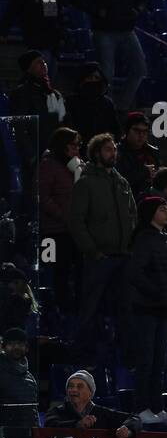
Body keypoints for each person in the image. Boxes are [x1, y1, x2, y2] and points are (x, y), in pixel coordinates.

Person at [67, 134, 136, 360]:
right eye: (108, 150)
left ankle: (125, 359)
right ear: (96, 153)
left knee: (126, 310)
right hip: (99, 258)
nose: (113, 153)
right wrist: (93, 251)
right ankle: (83, 357)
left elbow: (132, 214)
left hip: (122, 256)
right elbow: (76, 221)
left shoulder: (121, 182)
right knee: (90, 309)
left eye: (114, 149)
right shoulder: (85, 183)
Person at [71, 0, 148, 110]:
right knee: (107, 74)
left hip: (127, 29)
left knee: (140, 69)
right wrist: (96, 10)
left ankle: (119, 107)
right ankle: (106, 108)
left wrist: (137, 10)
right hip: (104, 30)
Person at [125, 196, 167, 422]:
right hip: (146, 310)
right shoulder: (144, 239)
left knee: (159, 362)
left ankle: (157, 408)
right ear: (151, 213)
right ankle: (142, 408)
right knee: (146, 361)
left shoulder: (162, 238)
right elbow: (136, 274)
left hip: (161, 310)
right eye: (162, 209)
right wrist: (157, 293)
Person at [36, 127, 82, 313]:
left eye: (78, 146)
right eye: (72, 146)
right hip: (54, 231)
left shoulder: (76, 166)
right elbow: (41, 196)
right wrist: (63, 215)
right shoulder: (48, 166)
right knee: (55, 273)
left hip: (74, 231)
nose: (77, 150)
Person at [1, 0, 63, 84]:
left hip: (51, 40)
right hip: (35, 37)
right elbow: (13, 8)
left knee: (49, 76)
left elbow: (56, 14)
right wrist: (4, 30)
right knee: (41, 75)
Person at [44, 370, 140, 438]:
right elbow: (49, 426)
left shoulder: (102, 413)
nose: (74, 389)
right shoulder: (57, 411)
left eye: (80, 386)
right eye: (71, 386)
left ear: (90, 393)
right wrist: (77, 425)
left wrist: (128, 430)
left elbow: (135, 418)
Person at [8, 50, 66, 158]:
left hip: (56, 154)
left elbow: (64, 121)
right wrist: (32, 156)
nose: (44, 64)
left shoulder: (55, 94)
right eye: (38, 62)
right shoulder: (21, 93)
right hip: (36, 155)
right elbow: (19, 128)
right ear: (28, 68)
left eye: (44, 61)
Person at [63, 63, 117, 143]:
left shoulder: (107, 103)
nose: (94, 81)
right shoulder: (70, 101)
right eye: (90, 77)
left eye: (97, 78)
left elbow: (114, 129)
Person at [0, 327, 39, 432]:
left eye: (20, 344)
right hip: (4, 436)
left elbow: (33, 412)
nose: (16, 347)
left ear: (26, 348)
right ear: (3, 347)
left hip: (26, 435)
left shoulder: (30, 377)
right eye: (12, 344)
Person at [116, 111, 160, 197]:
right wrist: (144, 171)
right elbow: (118, 181)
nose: (141, 135)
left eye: (145, 131)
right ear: (127, 130)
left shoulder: (152, 152)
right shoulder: (117, 152)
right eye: (136, 130)